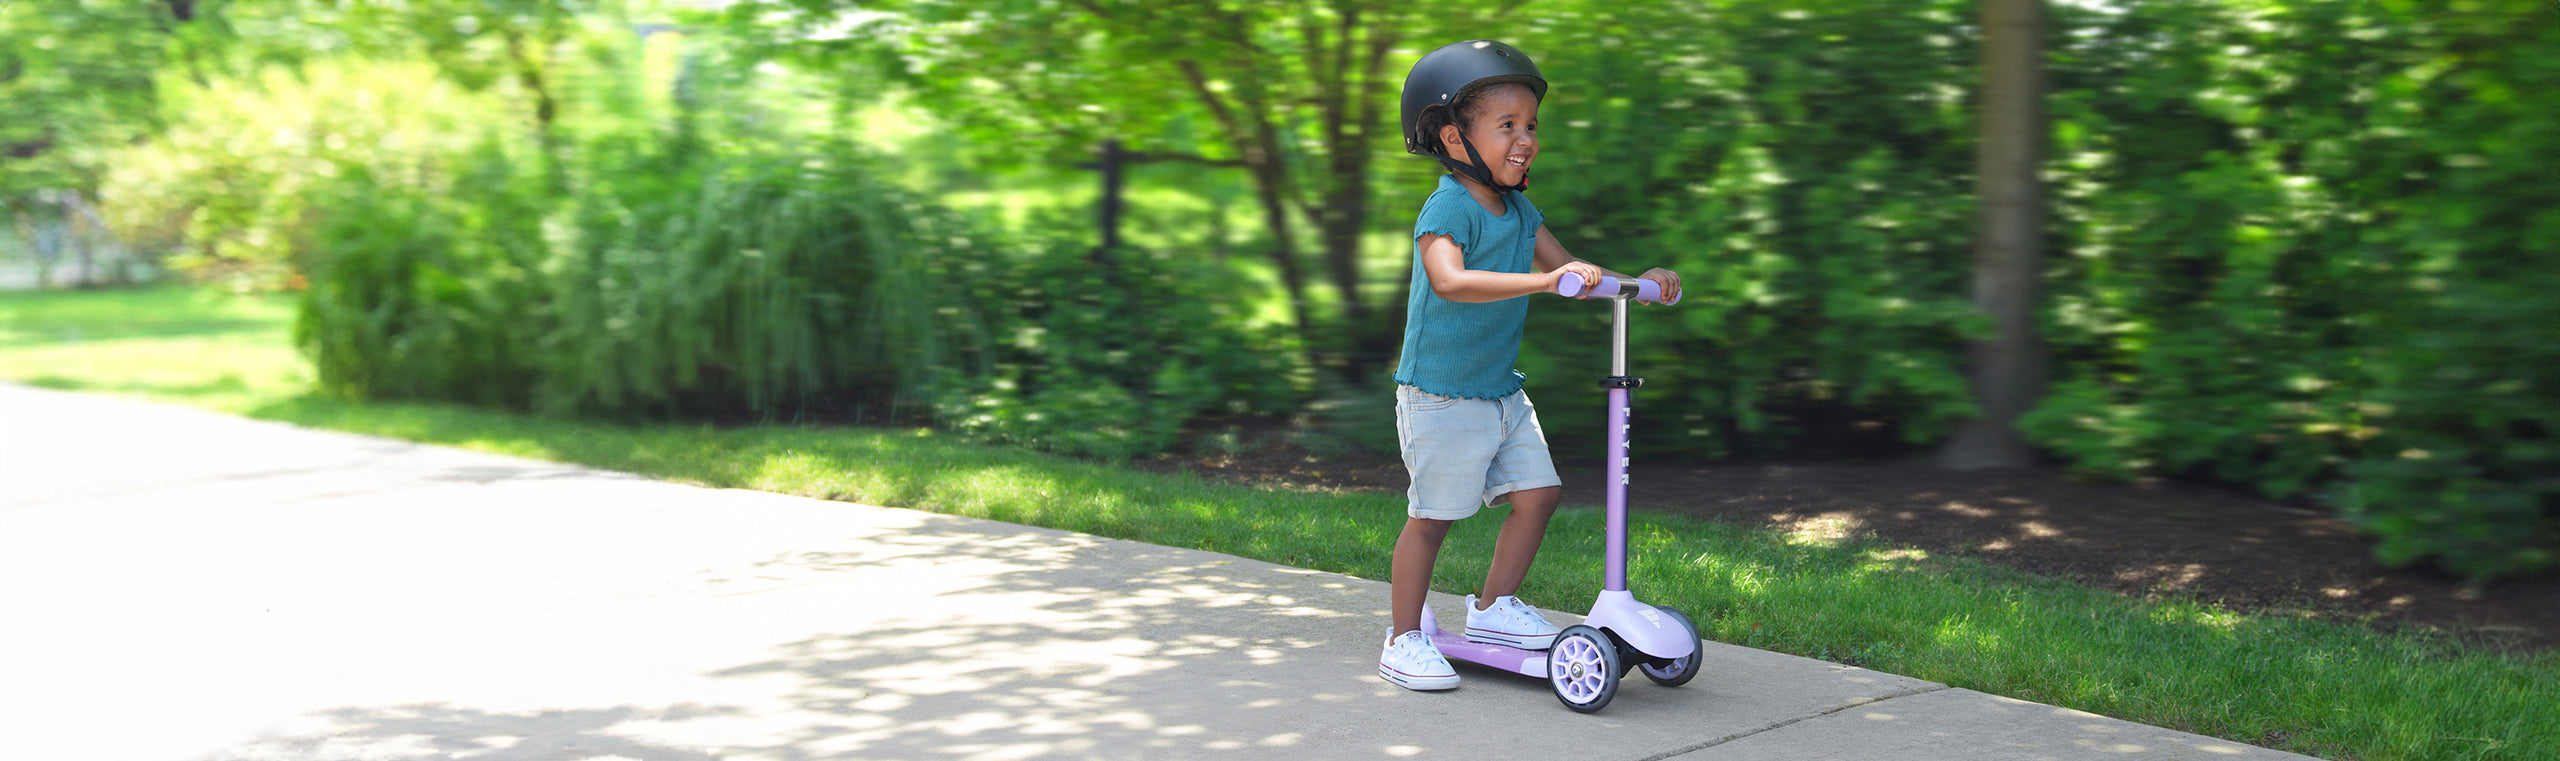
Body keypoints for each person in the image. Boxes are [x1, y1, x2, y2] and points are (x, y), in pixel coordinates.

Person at [1376, 39, 1683, 691]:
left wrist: (1640, 283)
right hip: (1439, 394)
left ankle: (1491, 608)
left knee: (1540, 494)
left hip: (1499, 391)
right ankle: (1402, 637)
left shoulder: (1520, 210)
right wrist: (1545, 284)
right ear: (1454, 140)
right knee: (1432, 519)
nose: (1525, 139)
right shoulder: (1448, 207)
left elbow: (1572, 271)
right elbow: (1450, 279)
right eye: (1507, 126)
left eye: (1531, 126)